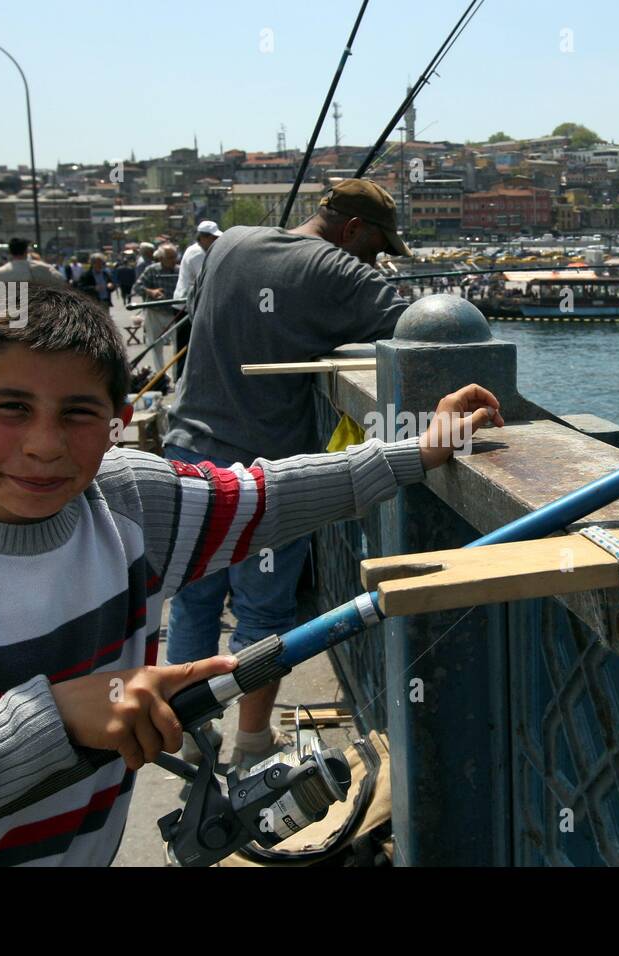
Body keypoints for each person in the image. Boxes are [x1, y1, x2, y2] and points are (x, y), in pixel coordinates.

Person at [0, 285, 501, 866]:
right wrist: (55, 716)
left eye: (78, 414)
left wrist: (417, 448)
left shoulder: (127, 502)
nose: (46, 445)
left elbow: (271, 494)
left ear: (117, 420)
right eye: (11, 409)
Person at [164, 178, 413, 770]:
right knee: (264, 614)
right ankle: (252, 741)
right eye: (376, 249)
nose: (374, 263)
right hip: (263, 474)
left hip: (186, 453)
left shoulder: (230, 242)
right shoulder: (340, 270)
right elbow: (424, 328)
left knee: (194, 604)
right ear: (352, 230)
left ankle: (189, 736)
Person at [131, 243, 180, 374]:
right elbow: (137, 287)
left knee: (178, 345)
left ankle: (177, 376)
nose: (173, 260)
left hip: (174, 312)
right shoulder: (152, 270)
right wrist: (151, 291)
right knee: (156, 346)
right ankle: (161, 375)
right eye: (170, 257)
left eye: (174, 257)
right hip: (155, 312)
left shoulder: (180, 271)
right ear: (161, 258)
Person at [174, 221, 222, 301]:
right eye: (213, 238)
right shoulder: (197, 253)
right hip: (185, 303)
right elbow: (206, 278)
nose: (216, 241)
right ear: (203, 238)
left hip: (193, 300)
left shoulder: (203, 250)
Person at [0, 237, 66, 288]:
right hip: (35, 306)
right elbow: (60, 279)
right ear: (26, 251)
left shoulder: (1, 272)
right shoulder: (40, 267)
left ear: (10, 252)